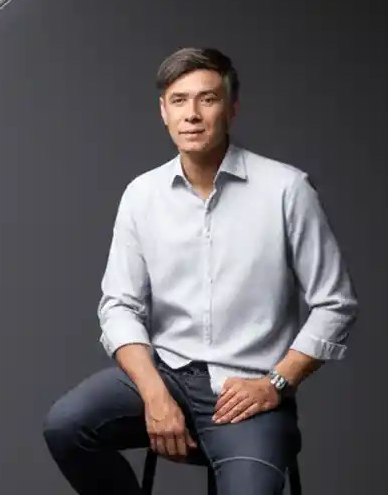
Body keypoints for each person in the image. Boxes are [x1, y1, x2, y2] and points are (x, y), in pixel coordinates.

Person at [43, 48, 359, 495]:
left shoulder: (287, 189)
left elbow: (335, 305)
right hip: (166, 372)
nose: (192, 114)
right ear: (163, 112)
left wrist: (275, 384)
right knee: (67, 428)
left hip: (247, 391)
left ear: (232, 107)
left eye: (207, 100)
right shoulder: (142, 195)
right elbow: (119, 306)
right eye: (179, 100)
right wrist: (153, 393)